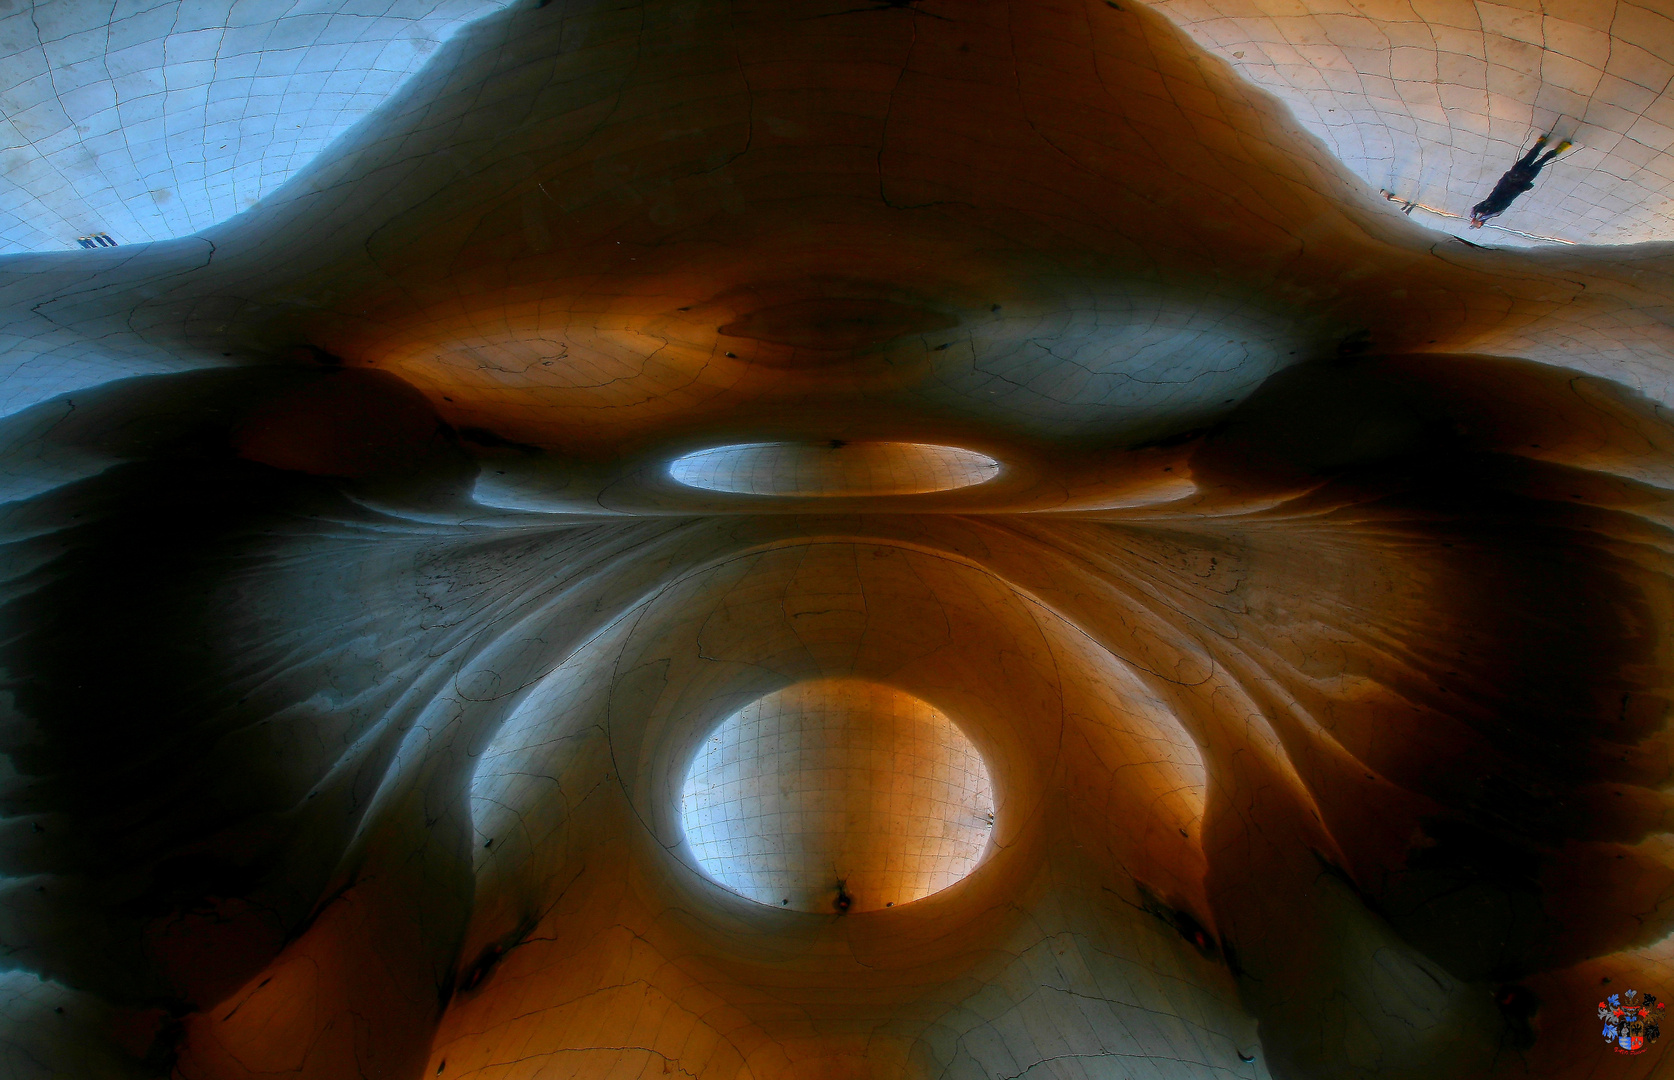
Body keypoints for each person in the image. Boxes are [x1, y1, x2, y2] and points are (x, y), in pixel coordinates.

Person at [1470, 134, 1571, 227]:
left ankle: (1540, 144)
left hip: (1511, 178)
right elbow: (1493, 212)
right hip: (1521, 183)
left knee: (1529, 157)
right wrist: (1481, 219)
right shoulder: (1496, 211)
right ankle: (1557, 150)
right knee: (1540, 163)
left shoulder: (1485, 205)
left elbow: (1474, 209)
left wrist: (1474, 217)